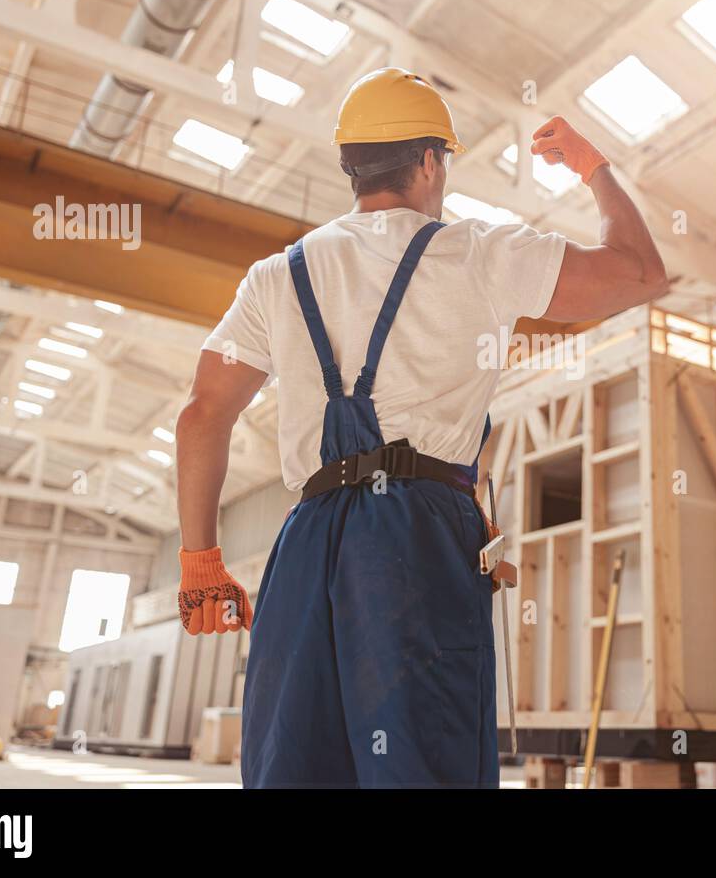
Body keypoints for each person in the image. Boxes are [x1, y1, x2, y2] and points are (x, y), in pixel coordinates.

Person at [173, 67, 667, 787]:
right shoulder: (480, 253)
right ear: (431, 162)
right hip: (413, 539)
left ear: (351, 167)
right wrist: (594, 169)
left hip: (307, 540)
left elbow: (202, 415)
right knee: (420, 763)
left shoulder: (277, 276)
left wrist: (201, 564)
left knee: (294, 765)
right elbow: (640, 273)